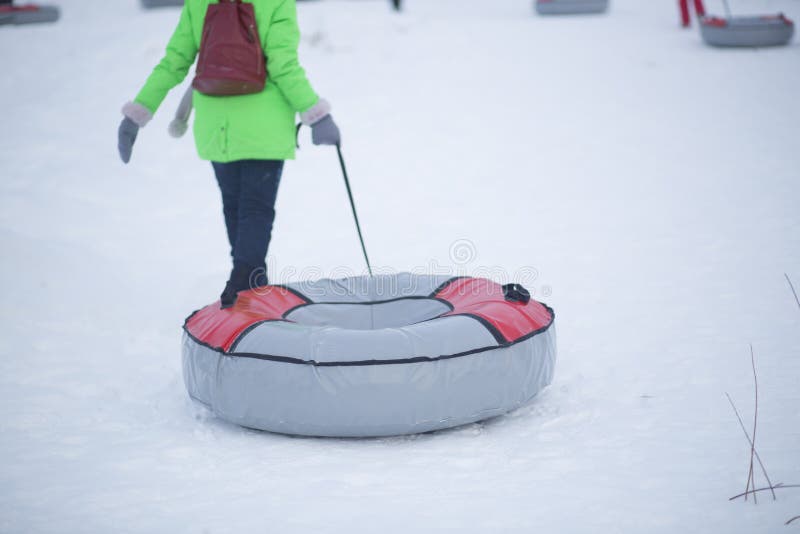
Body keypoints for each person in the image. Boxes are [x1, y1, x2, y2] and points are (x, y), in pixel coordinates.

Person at [118, 0, 340, 309]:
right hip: (263, 124)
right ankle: (244, 288)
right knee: (255, 210)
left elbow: (174, 61)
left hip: (214, 123)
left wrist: (138, 113)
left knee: (235, 208)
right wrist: (317, 115)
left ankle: (249, 286)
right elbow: (283, 64)